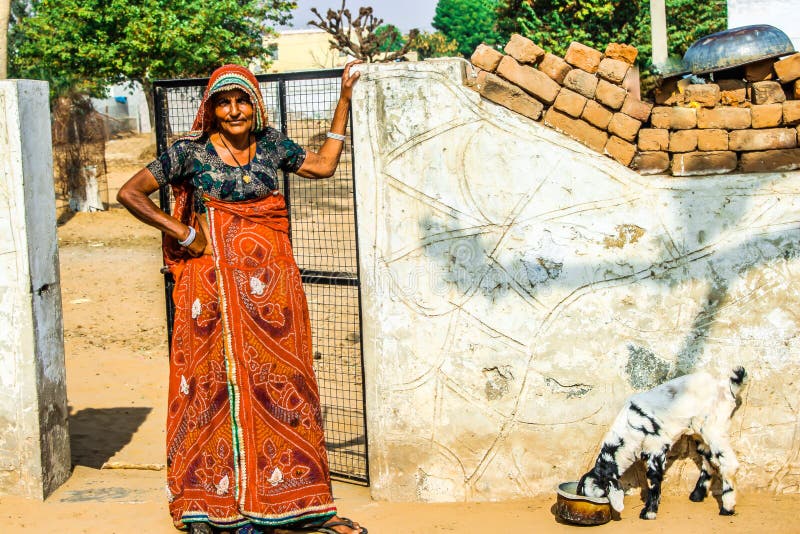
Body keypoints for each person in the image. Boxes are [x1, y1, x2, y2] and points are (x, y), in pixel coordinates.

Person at [117, 62, 365, 534]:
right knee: (212, 386)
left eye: (241, 101)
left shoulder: (271, 145)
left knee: (282, 383)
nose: (234, 111)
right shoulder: (190, 153)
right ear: (211, 110)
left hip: (273, 291)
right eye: (224, 102)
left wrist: (344, 101)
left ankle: (296, 505)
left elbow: (322, 166)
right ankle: (212, 506)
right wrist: (184, 231)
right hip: (211, 295)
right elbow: (131, 192)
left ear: (255, 106)